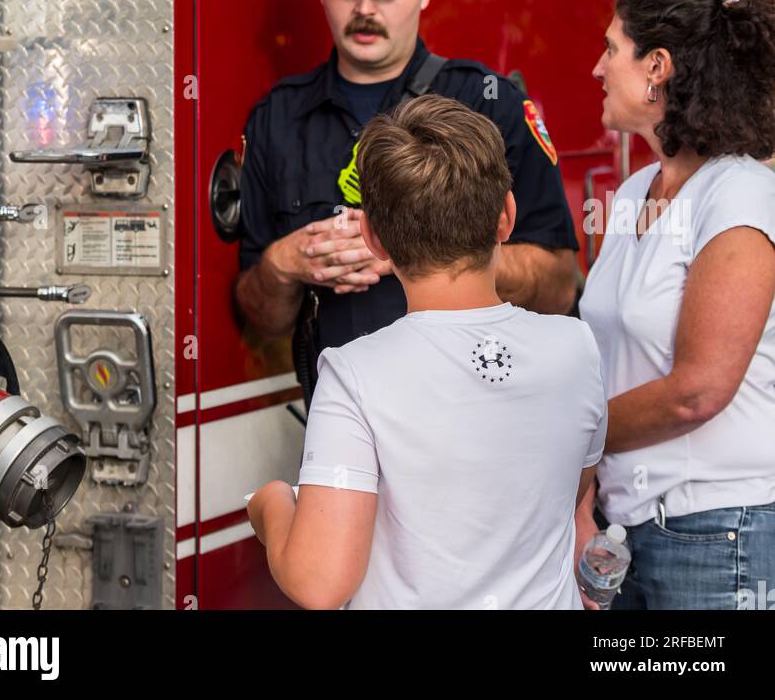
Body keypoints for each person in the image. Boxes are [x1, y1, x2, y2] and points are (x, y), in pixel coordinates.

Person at [246, 93, 607, 609]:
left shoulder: (354, 376)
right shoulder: (576, 348)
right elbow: (564, 491)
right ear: (506, 218)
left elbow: (318, 582)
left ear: (373, 237)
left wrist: (271, 505)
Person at [234, 0, 579, 404]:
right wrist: (284, 264)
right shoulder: (277, 120)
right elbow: (263, 319)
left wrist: (436, 252)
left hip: (478, 410)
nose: (365, 9)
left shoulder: (490, 104)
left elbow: (559, 289)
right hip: (344, 421)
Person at [577, 0, 775, 610]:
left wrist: (568, 435)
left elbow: (697, 391)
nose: (597, 69)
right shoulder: (635, 192)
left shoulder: (740, 193)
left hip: (716, 533)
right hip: (631, 527)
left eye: (611, 49)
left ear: (656, 66)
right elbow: (608, 361)